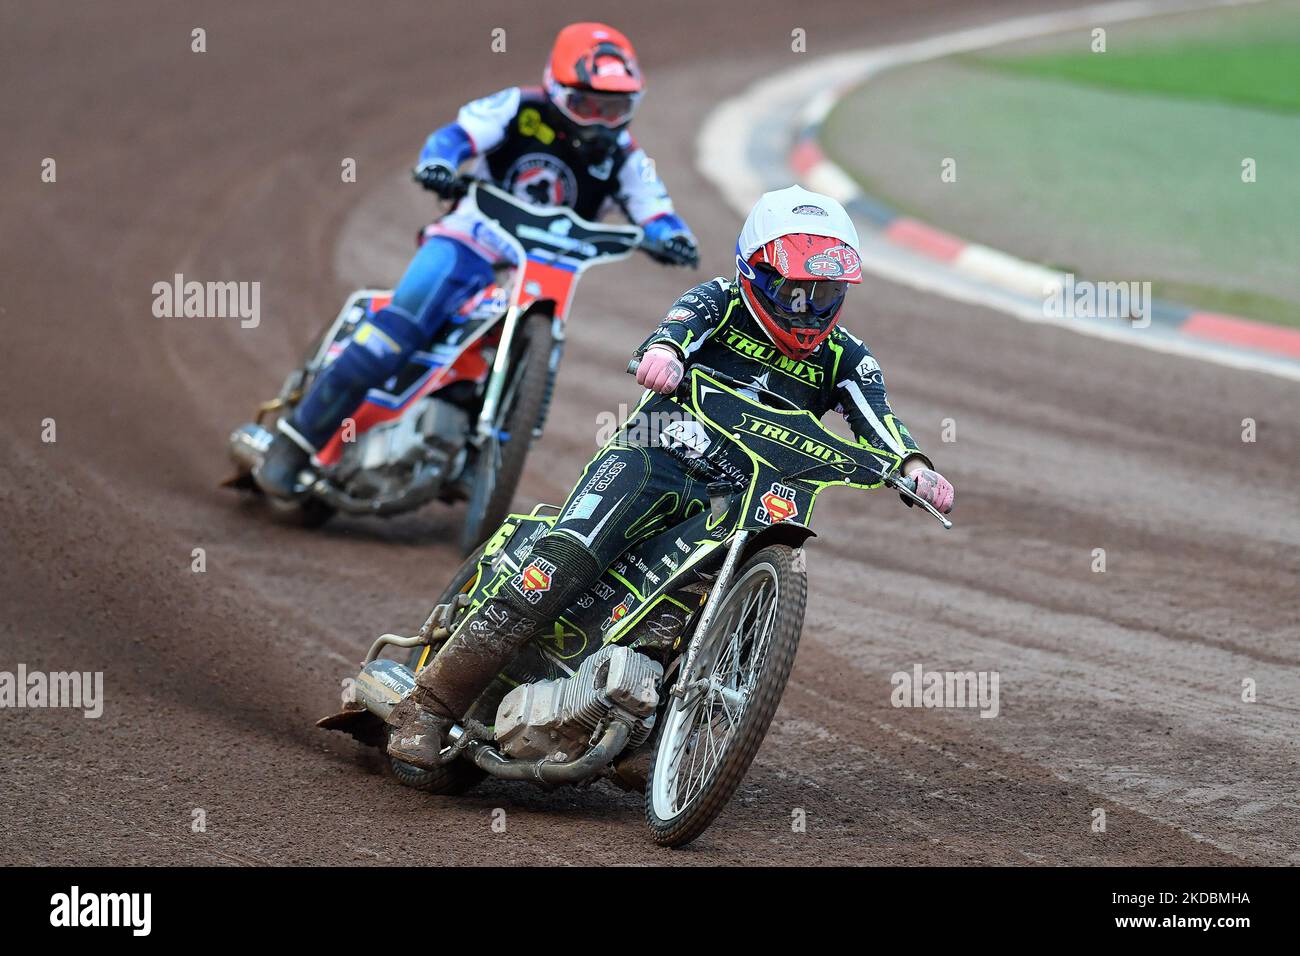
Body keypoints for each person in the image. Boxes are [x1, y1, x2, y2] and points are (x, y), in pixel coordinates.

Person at [386, 185, 955, 768]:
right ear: (755, 275)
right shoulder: (718, 302)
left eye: (826, 293)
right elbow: (675, 332)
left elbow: (878, 418)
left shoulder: (846, 356)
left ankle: (655, 735)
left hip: (736, 494)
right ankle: (427, 708)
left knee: (723, 604)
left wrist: (913, 466)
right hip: (652, 456)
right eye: (793, 290)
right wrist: (665, 354)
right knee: (563, 564)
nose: (808, 308)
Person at [255, 22, 699, 498]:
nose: (600, 122)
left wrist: (672, 237)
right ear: (556, 90)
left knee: (531, 353)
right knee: (396, 333)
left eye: (615, 109)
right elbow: (456, 136)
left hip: (543, 269)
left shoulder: (627, 157)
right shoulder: (517, 107)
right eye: (587, 105)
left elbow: (655, 209)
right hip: (471, 241)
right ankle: (293, 445)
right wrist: (439, 163)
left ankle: (473, 445)